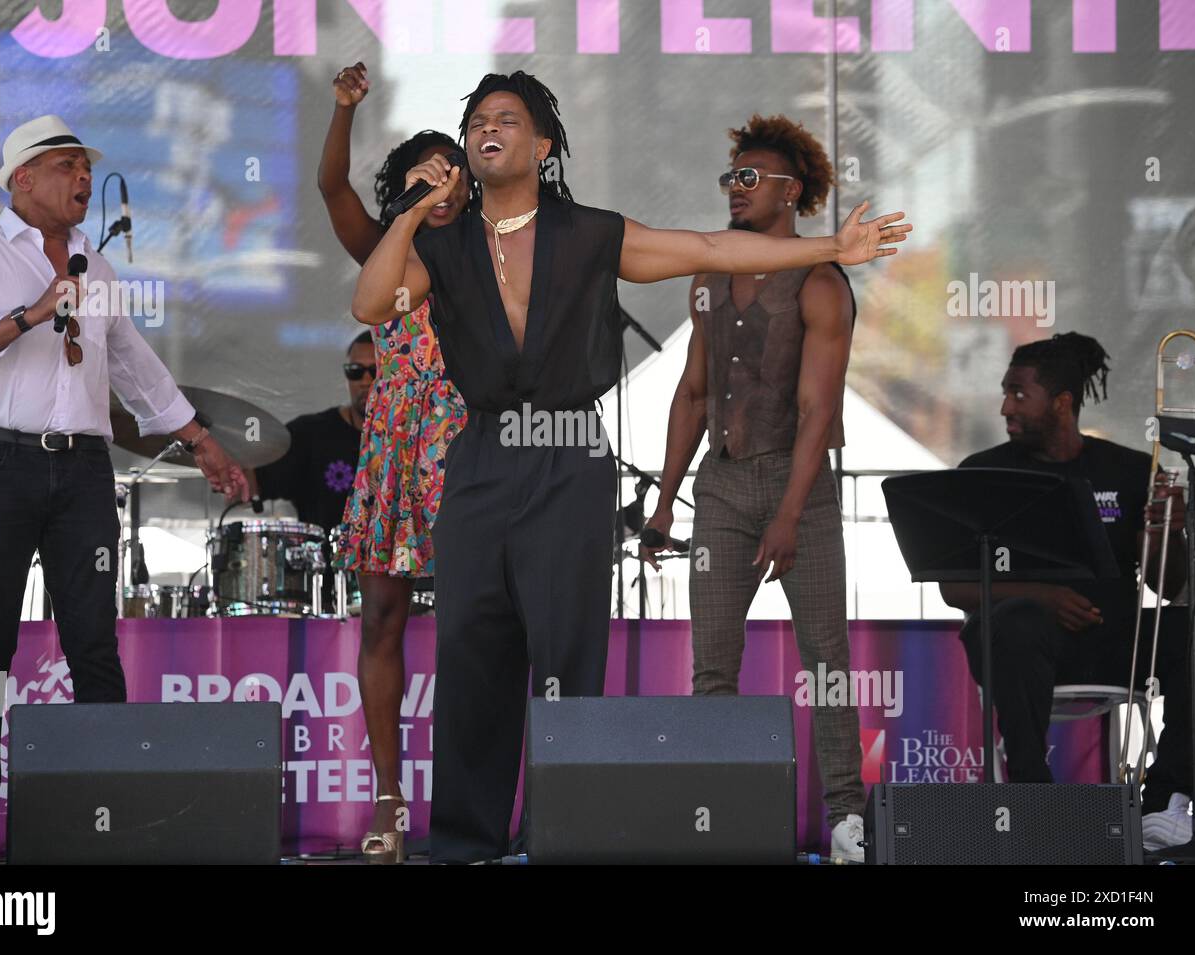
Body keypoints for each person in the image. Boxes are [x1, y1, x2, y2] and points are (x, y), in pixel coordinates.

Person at [351, 70, 911, 864]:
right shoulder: (441, 246)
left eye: (506, 119)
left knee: (567, 657)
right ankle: (466, 844)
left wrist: (829, 247)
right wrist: (412, 210)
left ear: (542, 146)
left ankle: (556, 837)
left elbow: (708, 247)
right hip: (479, 456)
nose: (487, 130)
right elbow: (370, 304)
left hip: (569, 454)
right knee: (471, 654)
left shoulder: (587, 233)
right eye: (477, 121)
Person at [0, 115, 249, 865]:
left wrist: (199, 440)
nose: (83, 179)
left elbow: (133, 365)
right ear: (23, 178)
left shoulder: (95, 269)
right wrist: (32, 314)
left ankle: (107, 823)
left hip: (81, 471)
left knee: (94, 644)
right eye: (67, 165)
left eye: (86, 168)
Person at [640, 113, 866, 861]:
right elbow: (693, 392)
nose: (733, 190)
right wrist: (664, 502)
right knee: (712, 663)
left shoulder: (821, 282)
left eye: (748, 179)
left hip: (799, 484)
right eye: (729, 178)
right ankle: (720, 815)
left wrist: (791, 514)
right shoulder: (707, 279)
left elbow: (817, 409)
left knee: (826, 660)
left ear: (790, 192)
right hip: (723, 483)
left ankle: (847, 818)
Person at [938, 332, 1195, 851]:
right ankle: (1033, 800)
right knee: (1016, 622)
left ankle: (1164, 800)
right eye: (1006, 393)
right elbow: (954, 587)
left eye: (1019, 394)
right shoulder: (984, 472)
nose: (1005, 407)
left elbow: (1168, 587)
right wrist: (1044, 595)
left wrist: (1165, 533)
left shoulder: (1128, 469)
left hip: (1117, 645)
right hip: (1021, 649)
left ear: (1062, 402)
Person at [319, 62, 469, 863]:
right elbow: (330, 185)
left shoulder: (488, 253)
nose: (440, 184)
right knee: (382, 616)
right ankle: (389, 797)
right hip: (394, 444)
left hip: (466, 444)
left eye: (452, 172)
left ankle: (488, 796)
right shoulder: (385, 246)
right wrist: (345, 109)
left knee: (482, 620)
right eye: (424, 173)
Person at [246, 331, 373, 534]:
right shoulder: (309, 433)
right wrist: (231, 461)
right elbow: (253, 485)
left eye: (375, 371)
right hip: (324, 554)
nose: (365, 381)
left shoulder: (412, 438)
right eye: (355, 371)